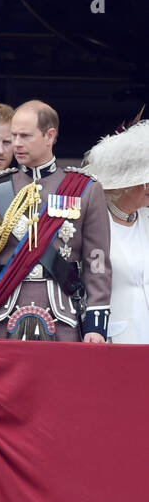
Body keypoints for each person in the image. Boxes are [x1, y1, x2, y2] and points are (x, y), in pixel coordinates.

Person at [0, 100, 111, 342]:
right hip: (3, 314)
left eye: (25, 136)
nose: (16, 144)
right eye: (14, 136)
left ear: (49, 136)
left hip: (63, 318)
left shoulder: (85, 189)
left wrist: (95, 325)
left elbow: (97, 263)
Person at [85, 119, 149, 343]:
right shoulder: (96, 223)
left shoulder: (147, 219)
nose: (148, 186)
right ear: (123, 184)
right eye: (144, 180)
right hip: (115, 338)